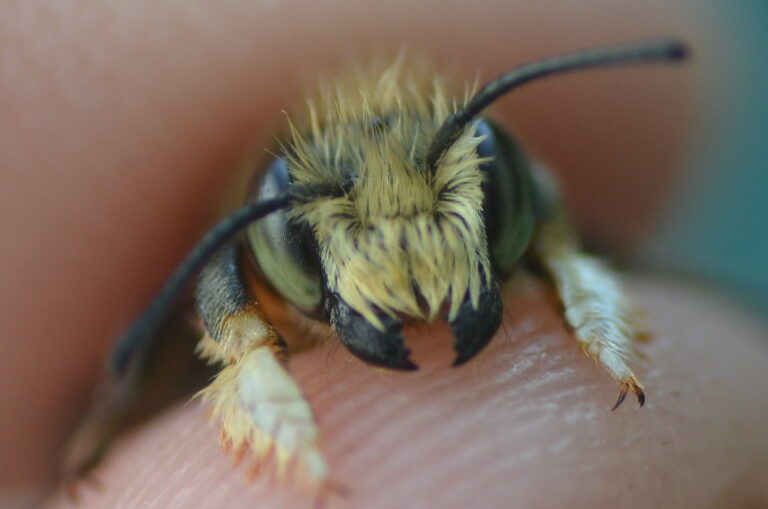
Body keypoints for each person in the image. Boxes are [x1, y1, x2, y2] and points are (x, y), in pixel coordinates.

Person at [1, 1, 766, 507]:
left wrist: (565, 268)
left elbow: (544, 204)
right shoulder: (237, 255)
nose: (406, 271)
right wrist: (234, 360)